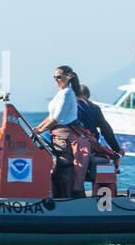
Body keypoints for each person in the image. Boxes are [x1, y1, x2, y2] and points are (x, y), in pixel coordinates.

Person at [33, 65, 92, 198]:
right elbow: (50, 116)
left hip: (64, 137)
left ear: (67, 77)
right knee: (58, 167)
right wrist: (37, 128)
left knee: (65, 167)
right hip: (57, 136)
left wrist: (41, 130)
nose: (56, 80)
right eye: (54, 77)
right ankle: (59, 195)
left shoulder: (67, 93)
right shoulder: (61, 93)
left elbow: (57, 118)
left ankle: (70, 197)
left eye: (59, 77)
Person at [76, 85, 123, 159]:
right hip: (91, 148)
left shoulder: (68, 108)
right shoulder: (94, 108)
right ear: (87, 95)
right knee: (106, 167)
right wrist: (117, 150)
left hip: (71, 147)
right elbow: (107, 131)